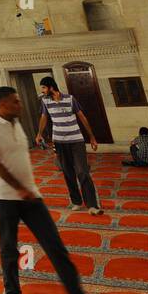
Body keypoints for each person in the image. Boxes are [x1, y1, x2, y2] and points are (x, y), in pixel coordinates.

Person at [0, 87, 106, 294]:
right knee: (9, 249)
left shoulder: (16, 124)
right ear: (3, 104)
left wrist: (28, 190)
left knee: (56, 248)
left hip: (32, 197)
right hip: (7, 199)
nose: (21, 105)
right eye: (16, 102)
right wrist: (18, 188)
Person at [35, 77, 104, 215]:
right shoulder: (45, 101)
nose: (42, 91)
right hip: (59, 142)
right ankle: (77, 201)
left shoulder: (70, 99)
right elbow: (44, 117)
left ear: (51, 87)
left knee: (82, 171)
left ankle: (92, 205)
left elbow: (82, 117)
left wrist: (92, 137)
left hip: (76, 140)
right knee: (68, 173)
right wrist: (39, 134)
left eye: (43, 87)